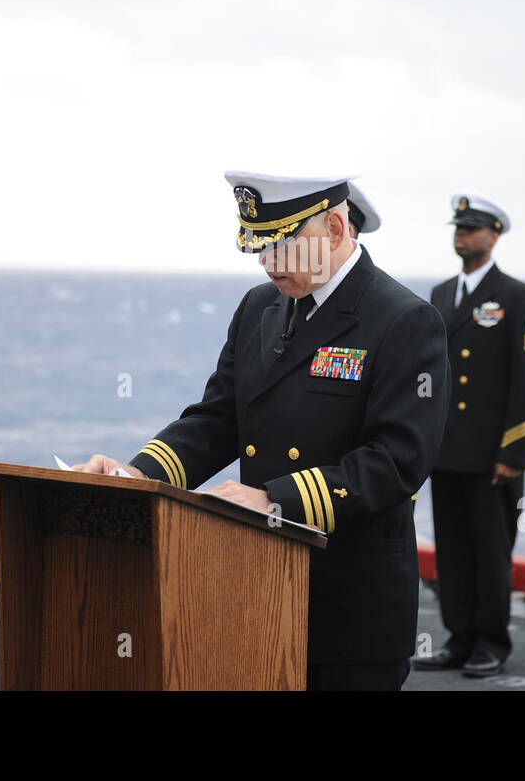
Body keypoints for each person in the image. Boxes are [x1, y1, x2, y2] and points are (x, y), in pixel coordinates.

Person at [76, 172, 450, 691]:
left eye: (282, 244)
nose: (267, 262)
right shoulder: (259, 308)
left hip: (350, 606)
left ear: (337, 228)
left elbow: (397, 462)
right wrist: (138, 474)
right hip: (260, 590)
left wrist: (274, 500)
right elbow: (219, 418)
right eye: (260, 245)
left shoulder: (405, 319)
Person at [414, 194, 525, 677]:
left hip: (493, 454)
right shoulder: (440, 293)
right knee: (452, 550)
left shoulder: (517, 296)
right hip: (447, 449)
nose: (461, 234)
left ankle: (491, 641)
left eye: (471, 228)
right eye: (458, 226)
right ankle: (459, 636)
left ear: (494, 235)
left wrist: (514, 450)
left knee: (491, 553)